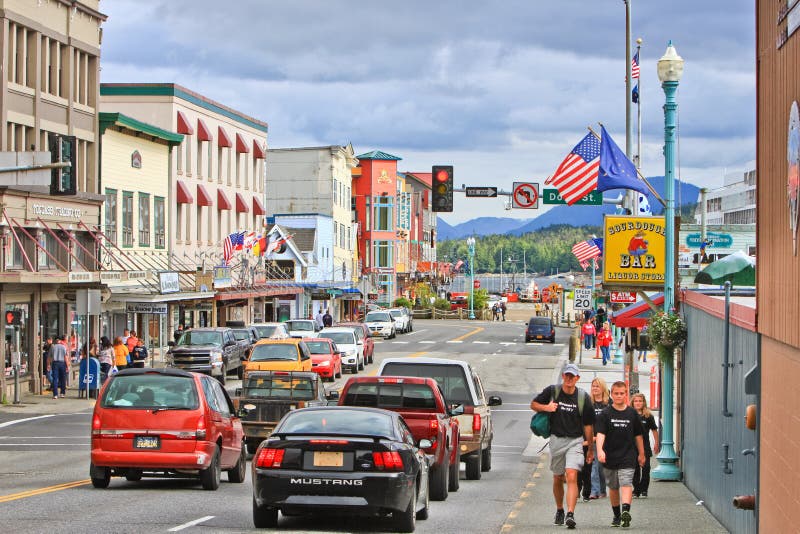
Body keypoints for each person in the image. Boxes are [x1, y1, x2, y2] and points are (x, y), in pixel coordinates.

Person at [531, 363, 594, 529]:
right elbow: (534, 404)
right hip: (557, 440)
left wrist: (591, 449)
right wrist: (547, 407)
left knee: (571, 475)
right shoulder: (553, 391)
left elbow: (588, 425)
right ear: (563, 376)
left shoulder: (583, 397)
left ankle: (570, 513)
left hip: (576, 441)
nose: (569, 379)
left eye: (572, 376)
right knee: (558, 477)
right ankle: (560, 509)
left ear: (577, 378)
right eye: (566, 375)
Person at [596, 381, 646, 529]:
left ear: (626, 395)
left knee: (626, 482)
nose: (619, 396)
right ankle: (617, 515)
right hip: (610, 455)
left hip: (628, 455)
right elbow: (600, 434)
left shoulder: (632, 413)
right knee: (613, 487)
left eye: (622, 393)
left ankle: (625, 511)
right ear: (611, 394)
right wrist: (600, 450)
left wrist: (641, 454)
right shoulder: (605, 413)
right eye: (616, 393)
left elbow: (638, 436)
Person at [630, 392, 659, 498]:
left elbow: (654, 430)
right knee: (635, 469)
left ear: (644, 403)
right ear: (632, 403)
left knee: (646, 468)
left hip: (645, 446)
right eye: (636, 401)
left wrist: (656, 443)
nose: (638, 403)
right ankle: (636, 490)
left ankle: (644, 489)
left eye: (640, 401)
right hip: (632, 447)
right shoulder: (629, 414)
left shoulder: (648, 416)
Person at [588, 378, 610, 500]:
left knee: (602, 467)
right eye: (593, 386)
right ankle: (594, 491)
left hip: (606, 439)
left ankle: (602, 490)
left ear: (603, 388)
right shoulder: (589, 403)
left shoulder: (608, 403)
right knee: (594, 465)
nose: (595, 388)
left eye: (597, 386)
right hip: (593, 439)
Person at [48, 335, 68, 399]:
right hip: (62, 363)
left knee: (55, 379)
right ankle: (62, 393)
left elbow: (49, 357)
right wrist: (67, 365)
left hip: (55, 363)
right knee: (63, 379)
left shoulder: (52, 347)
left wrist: (48, 365)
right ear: (60, 341)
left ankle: (55, 394)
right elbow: (66, 357)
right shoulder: (63, 347)